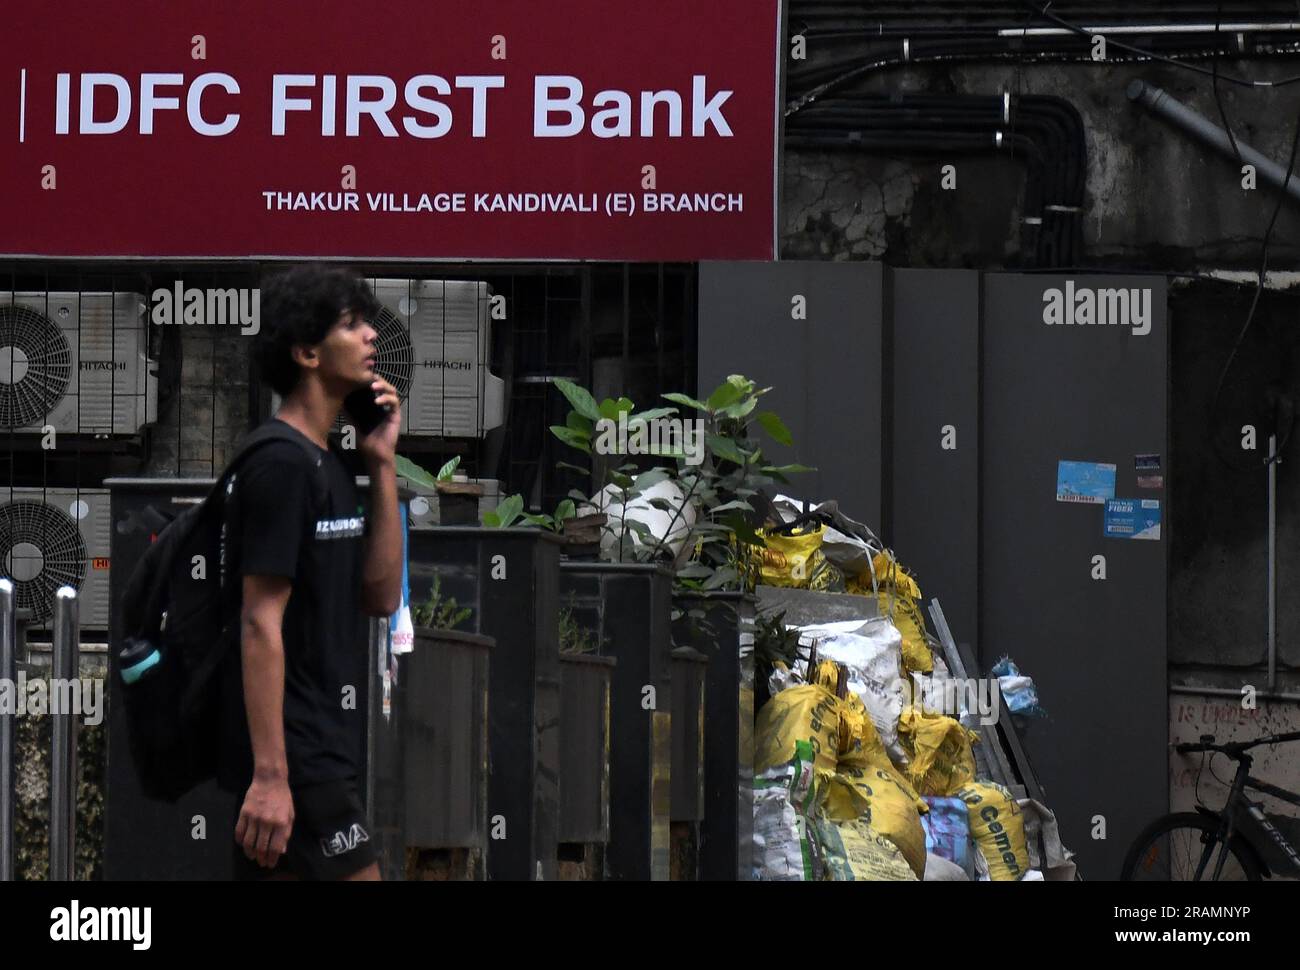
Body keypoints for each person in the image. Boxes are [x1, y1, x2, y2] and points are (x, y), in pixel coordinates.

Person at [215, 264, 403, 880]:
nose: (372, 335)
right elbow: (258, 621)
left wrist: (380, 466)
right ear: (306, 352)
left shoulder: (327, 464)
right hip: (296, 758)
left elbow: (378, 596)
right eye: (351, 324)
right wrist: (271, 778)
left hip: (326, 746)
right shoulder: (279, 465)